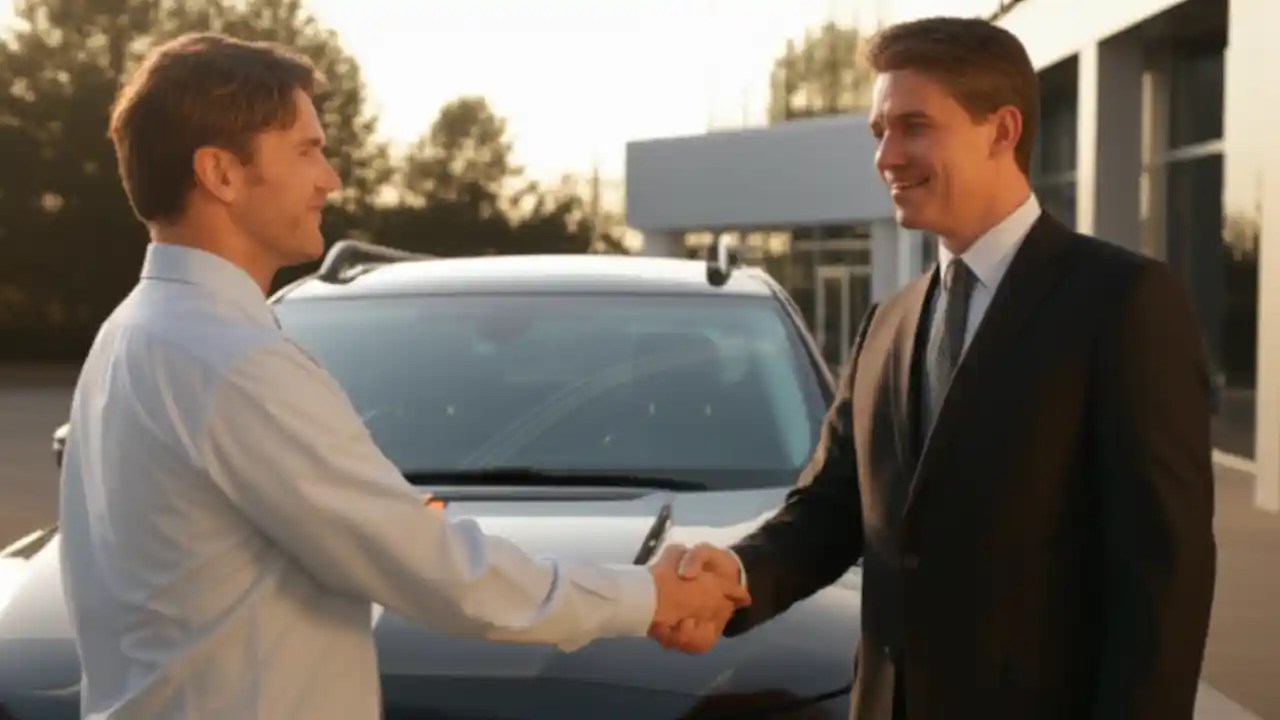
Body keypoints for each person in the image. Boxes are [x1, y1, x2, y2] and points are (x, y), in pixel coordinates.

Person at [56, 32, 746, 720]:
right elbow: (433, 570)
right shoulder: (233, 362)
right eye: (306, 151)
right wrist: (651, 595)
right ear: (222, 174)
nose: (329, 179)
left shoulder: (130, 334)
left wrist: (392, 515)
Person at [661, 16, 1216, 720]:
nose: (886, 156)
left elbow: (1163, 577)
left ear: (1002, 130)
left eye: (914, 127)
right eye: (879, 131)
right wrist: (736, 573)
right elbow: (830, 512)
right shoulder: (887, 324)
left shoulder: (1123, 303)